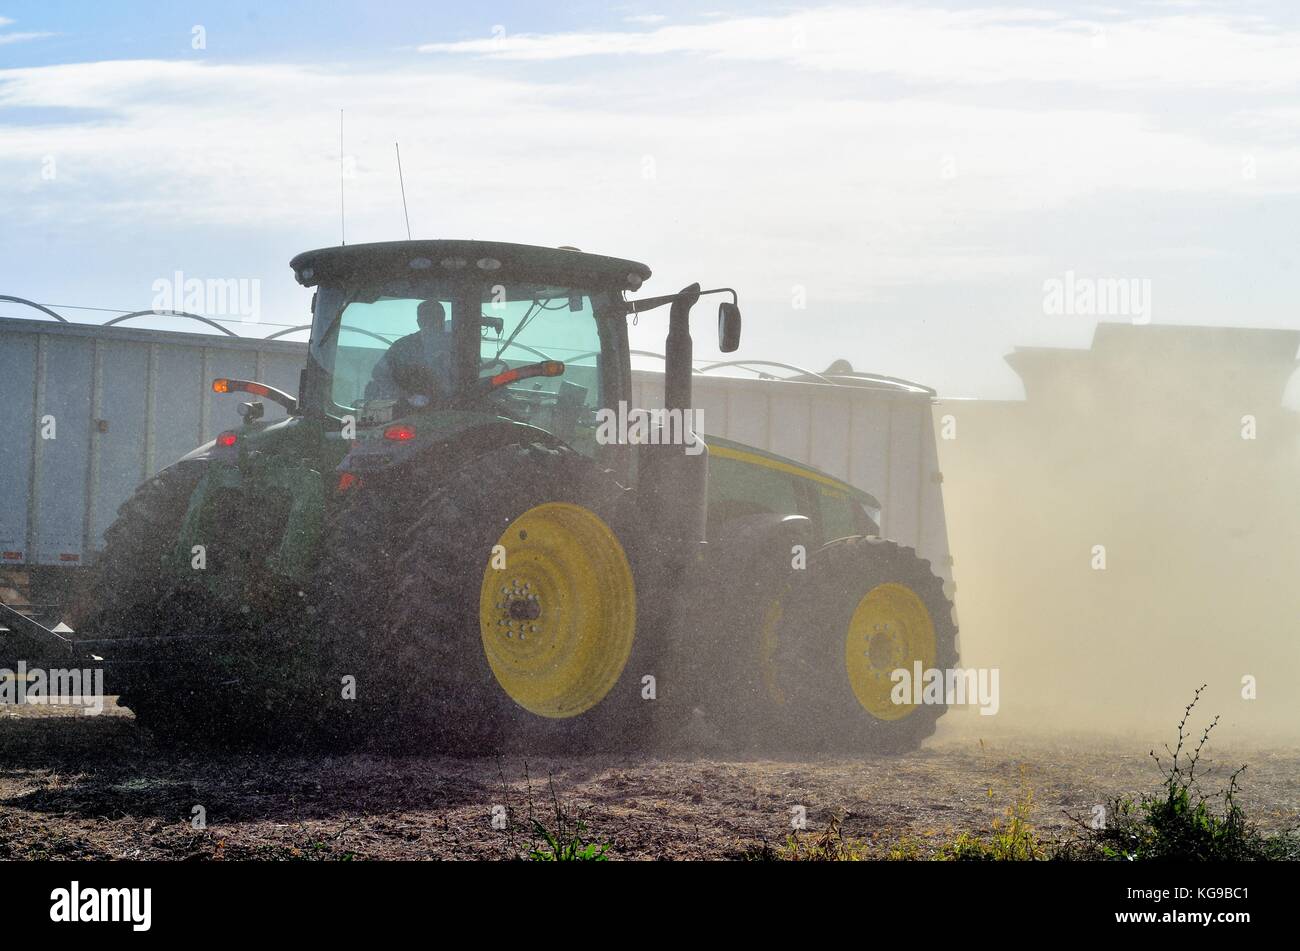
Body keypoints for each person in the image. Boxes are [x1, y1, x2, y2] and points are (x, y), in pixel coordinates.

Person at [365, 300, 454, 401]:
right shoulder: (403, 347)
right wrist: (407, 396)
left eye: (437, 319)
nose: (434, 325)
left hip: (452, 407)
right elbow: (379, 373)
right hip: (411, 411)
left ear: (443, 320)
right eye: (428, 320)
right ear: (419, 322)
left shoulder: (457, 344)